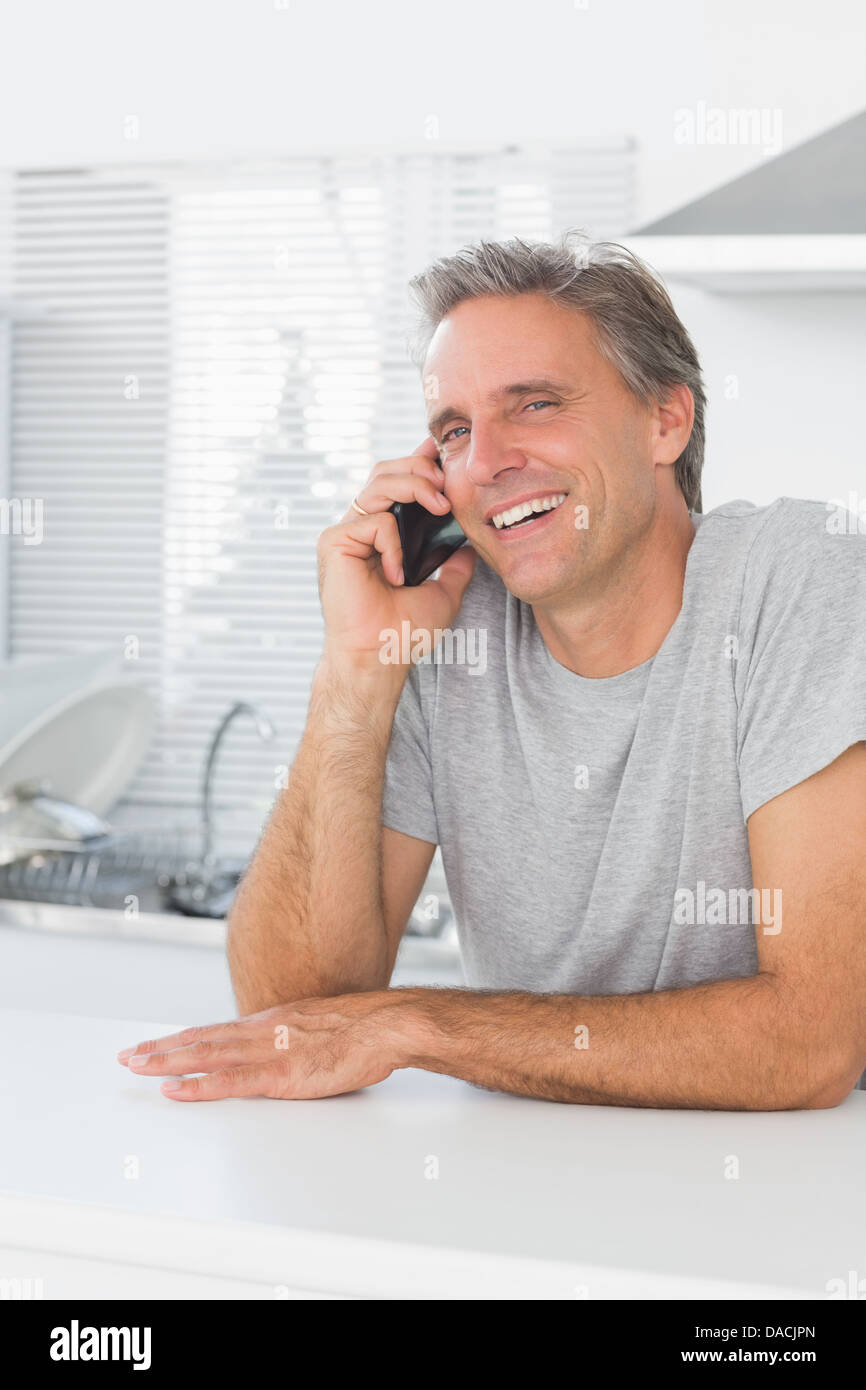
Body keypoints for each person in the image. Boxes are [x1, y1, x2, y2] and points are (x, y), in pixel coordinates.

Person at [117, 232, 866, 1109]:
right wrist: (358, 669)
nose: (485, 462)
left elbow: (811, 1042)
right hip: (516, 1190)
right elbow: (296, 1021)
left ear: (666, 420)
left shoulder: (797, 573)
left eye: (537, 404)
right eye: (456, 430)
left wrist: (419, 1026)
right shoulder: (448, 619)